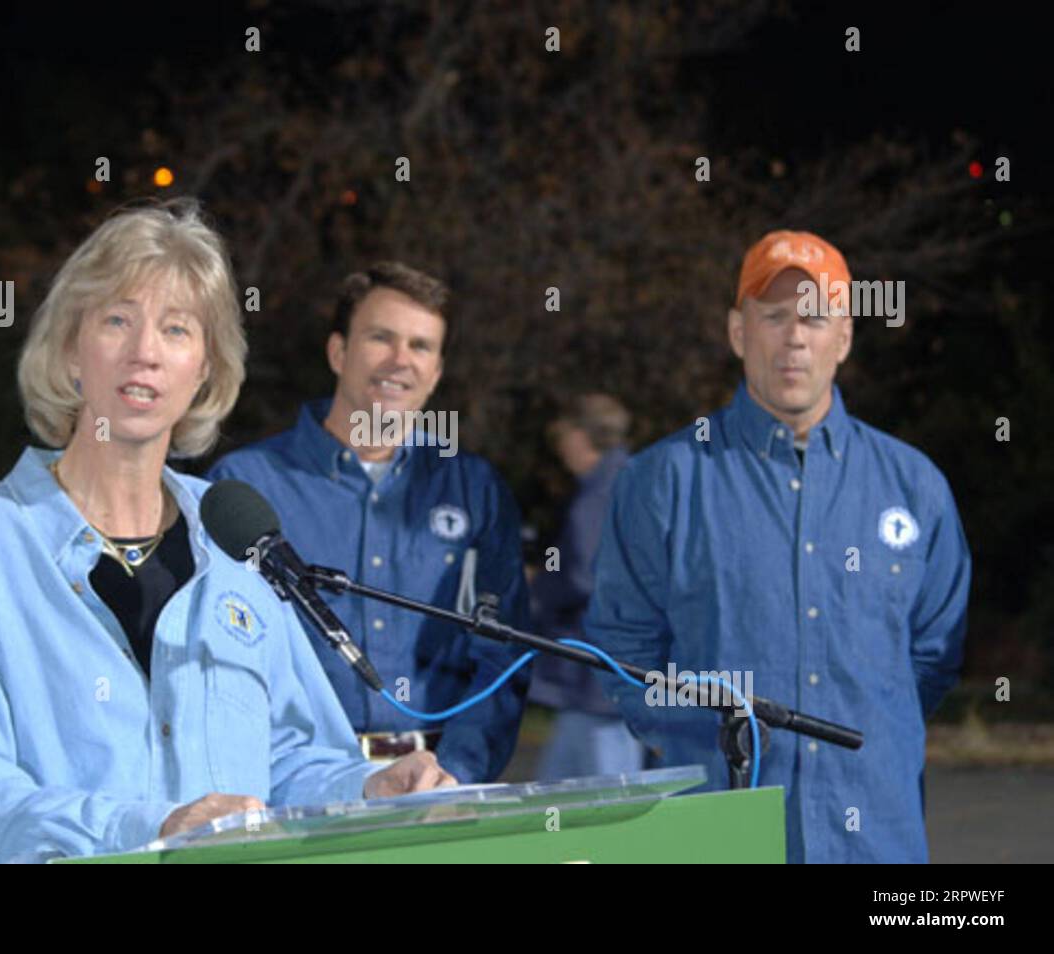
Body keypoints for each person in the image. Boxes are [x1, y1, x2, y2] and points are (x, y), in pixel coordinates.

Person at [0, 200, 454, 864]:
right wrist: (149, 831)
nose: (145, 353)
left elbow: (288, 759)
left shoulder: (239, 540)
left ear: (205, 372)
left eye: (177, 330)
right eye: (117, 320)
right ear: (71, 351)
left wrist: (368, 787)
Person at [584, 230, 970, 863]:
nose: (795, 338)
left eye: (815, 318)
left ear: (843, 338)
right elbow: (625, 656)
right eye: (774, 317)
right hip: (721, 840)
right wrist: (706, 745)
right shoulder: (663, 481)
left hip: (875, 838)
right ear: (738, 332)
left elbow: (932, 660)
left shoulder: (915, 486)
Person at [208, 262, 530, 783]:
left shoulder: (475, 490)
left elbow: (503, 657)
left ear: (437, 372)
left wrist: (455, 776)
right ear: (338, 352)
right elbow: (224, 660)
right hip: (296, 793)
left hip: (438, 788)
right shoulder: (247, 486)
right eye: (381, 338)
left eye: (421, 346)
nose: (400, 361)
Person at [528, 394, 646, 780]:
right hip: (610, 680)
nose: (561, 450)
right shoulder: (634, 482)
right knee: (562, 792)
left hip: (597, 677)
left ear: (581, 437)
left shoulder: (595, 499)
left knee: (607, 801)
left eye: (564, 438)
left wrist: (537, 589)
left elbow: (582, 577)